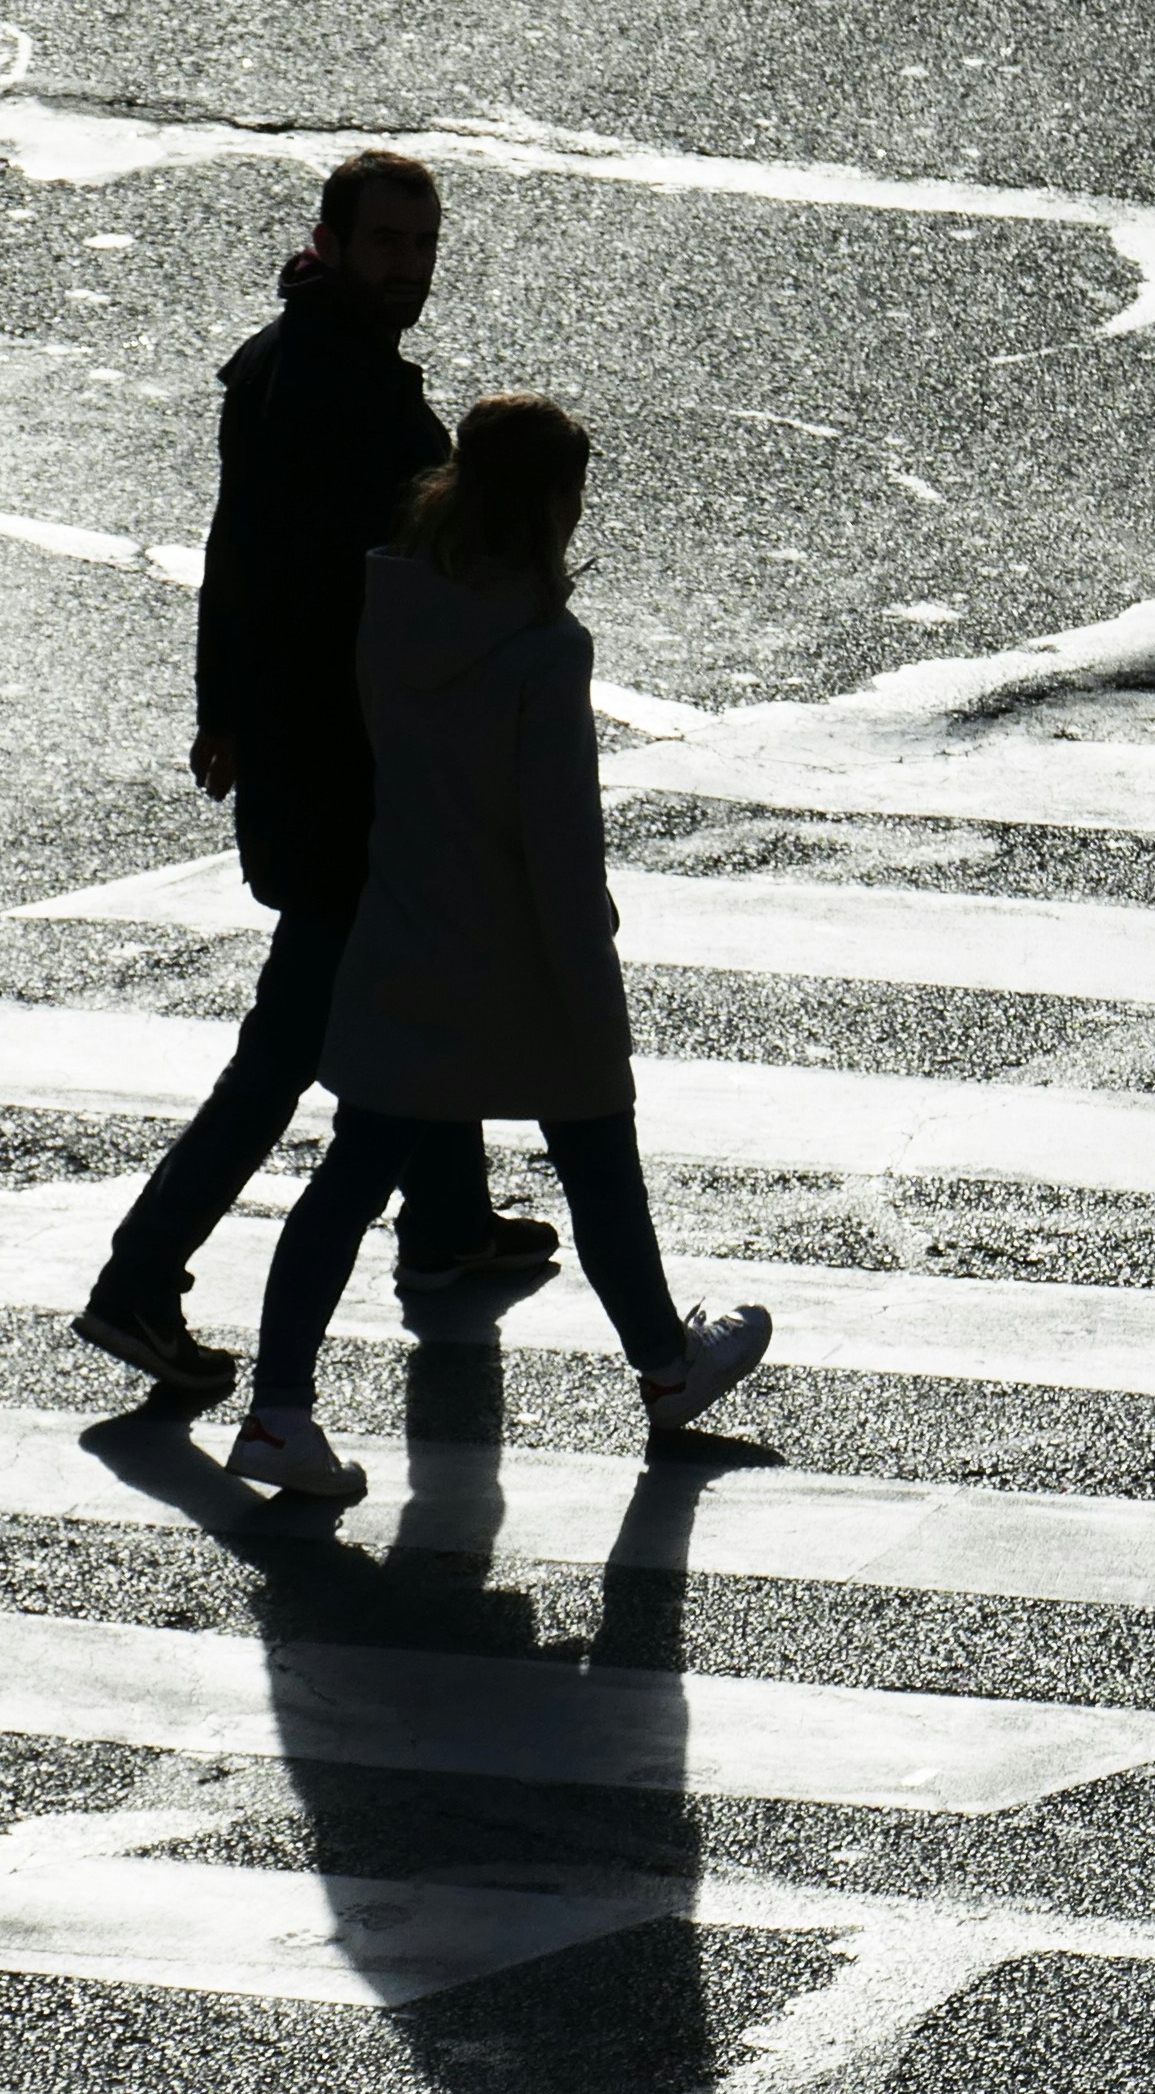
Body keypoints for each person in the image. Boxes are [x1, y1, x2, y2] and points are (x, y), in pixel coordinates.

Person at [222, 394, 770, 1502]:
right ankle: (665, 1364)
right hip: (518, 963)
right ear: (554, 509)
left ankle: (279, 1405)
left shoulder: (396, 608)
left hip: (410, 937)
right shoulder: (543, 654)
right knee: (597, 1157)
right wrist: (594, 989)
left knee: (350, 1179)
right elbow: (559, 852)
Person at [73, 149, 548, 1408]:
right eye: (386, 241)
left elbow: (239, 558)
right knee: (292, 1043)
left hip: (315, 755)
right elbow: (342, 592)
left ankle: (449, 1223)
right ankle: (138, 1276)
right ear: (331, 242)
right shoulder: (332, 391)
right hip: (346, 774)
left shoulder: (292, 363)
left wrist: (219, 705)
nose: (409, 264)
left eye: (420, 244)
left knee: (419, 975)